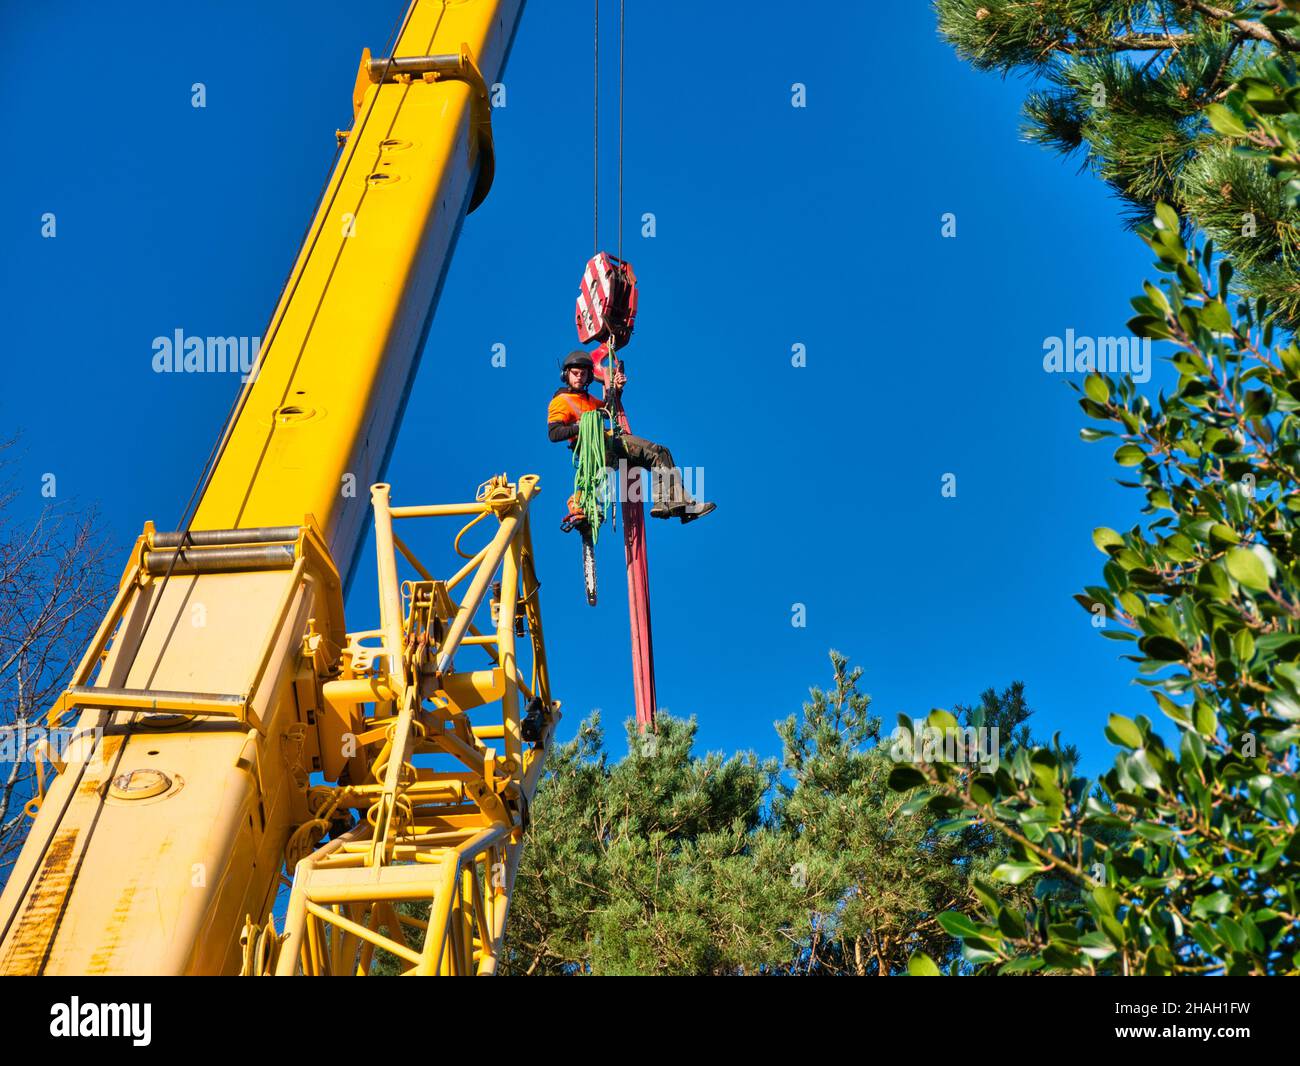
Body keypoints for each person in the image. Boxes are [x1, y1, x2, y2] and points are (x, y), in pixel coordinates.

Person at [547, 349, 715, 522]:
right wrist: (581, 426)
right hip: (600, 447)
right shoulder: (561, 401)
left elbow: (607, 410)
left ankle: (677, 506)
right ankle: (671, 502)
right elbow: (554, 433)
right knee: (658, 453)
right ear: (566, 375)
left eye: (583, 374)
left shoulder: (588, 400)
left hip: (606, 451)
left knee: (657, 458)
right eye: (575, 373)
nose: (579, 377)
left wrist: (616, 390)